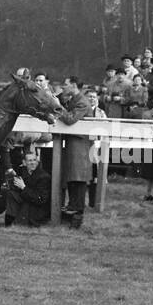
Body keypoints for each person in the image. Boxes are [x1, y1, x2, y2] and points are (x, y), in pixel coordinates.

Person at [55, 77, 93, 228]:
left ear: (74, 85)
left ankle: (77, 214)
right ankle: (73, 210)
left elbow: (70, 119)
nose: (63, 87)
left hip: (80, 145)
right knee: (72, 177)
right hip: (73, 143)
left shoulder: (82, 102)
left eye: (66, 85)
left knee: (78, 178)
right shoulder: (74, 100)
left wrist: (58, 107)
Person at [1, 148, 52, 226]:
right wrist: (10, 184)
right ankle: (2, 221)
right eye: (30, 161)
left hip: (36, 209)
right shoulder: (22, 171)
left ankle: (10, 223)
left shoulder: (44, 176)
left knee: (12, 196)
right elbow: (16, 188)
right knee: (7, 193)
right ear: (24, 162)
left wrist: (23, 187)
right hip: (25, 201)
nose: (33, 163)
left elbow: (40, 199)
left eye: (34, 160)